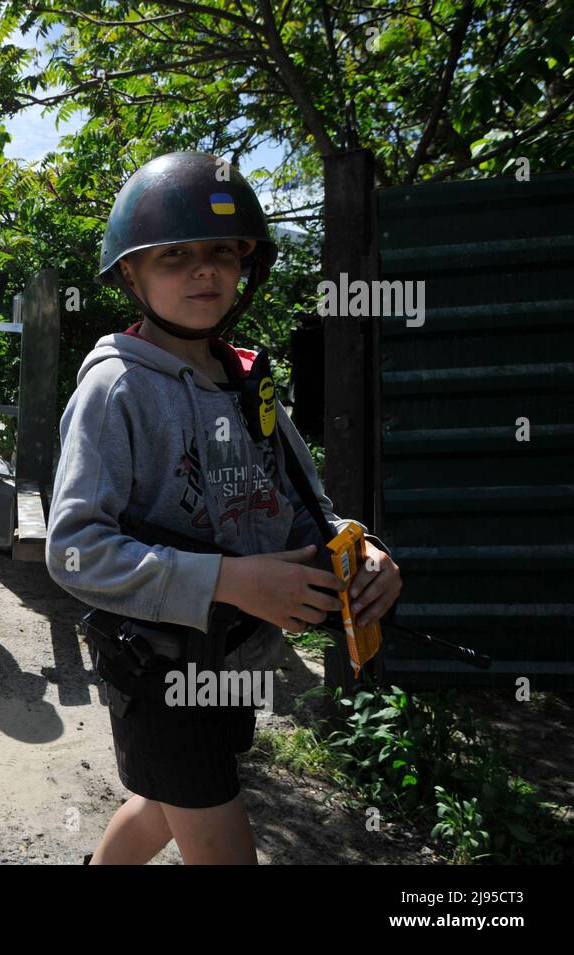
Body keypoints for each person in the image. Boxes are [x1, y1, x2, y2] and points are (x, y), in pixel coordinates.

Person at [44, 151, 403, 864]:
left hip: (239, 656)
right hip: (160, 669)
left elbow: (306, 504)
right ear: (130, 274)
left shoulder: (248, 378)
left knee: (160, 805)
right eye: (173, 255)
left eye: (220, 252)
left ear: (246, 265)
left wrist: (361, 550)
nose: (202, 270)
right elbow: (73, 547)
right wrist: (227, 581)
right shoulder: (115, 389)